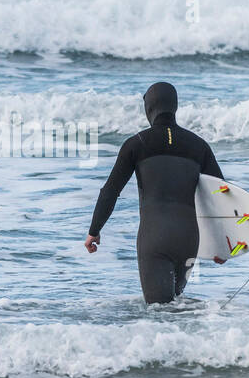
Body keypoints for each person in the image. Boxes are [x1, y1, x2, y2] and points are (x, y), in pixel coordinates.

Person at [84, 82, 223, 304]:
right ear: (175, 107)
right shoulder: (199, 146)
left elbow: (111, 190)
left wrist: (94, 230)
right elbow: (220, 195)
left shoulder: (136, 143)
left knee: (159, 314)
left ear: (149, 109)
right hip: (189, 241)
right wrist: (222, 245)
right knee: (176, 310)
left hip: (155, 239)